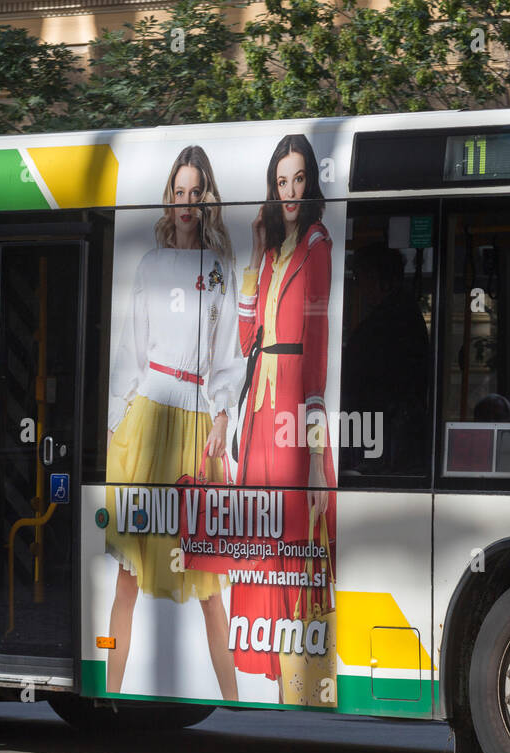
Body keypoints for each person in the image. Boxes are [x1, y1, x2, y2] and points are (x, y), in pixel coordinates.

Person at [104, 145, 242, 700]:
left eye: (195, 193)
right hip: (149, 419)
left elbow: (229, 352)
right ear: (170, 199)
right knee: (129, 574)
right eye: (178, 193)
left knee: (208, 582)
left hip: (195, 426)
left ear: (206, 198)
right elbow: (130, 352)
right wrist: (117, 419)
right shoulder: (150, 265)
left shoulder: (221, 270)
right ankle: (111, 692)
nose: (186, 203)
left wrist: (223, 414)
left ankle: (235, 704)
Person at [231, 134, 336, 700]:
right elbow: (248, 337)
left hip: (293, 414)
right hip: (259, 415)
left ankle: (295, 675)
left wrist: (318, 453)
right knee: (261, 537)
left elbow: (316, 352)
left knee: (292, 542)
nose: (290, 191)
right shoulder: (272, 254)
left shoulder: (319, 246)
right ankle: (272, 668)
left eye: (299, 180)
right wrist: (253, 259)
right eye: (281, 182)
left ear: (312, 183)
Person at [341, 243, 429, 474]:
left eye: (360, 278)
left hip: (384, 431)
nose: (359, 287)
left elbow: (365, 372)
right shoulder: (403, 312)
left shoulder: (390, 321)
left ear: (377, 278)